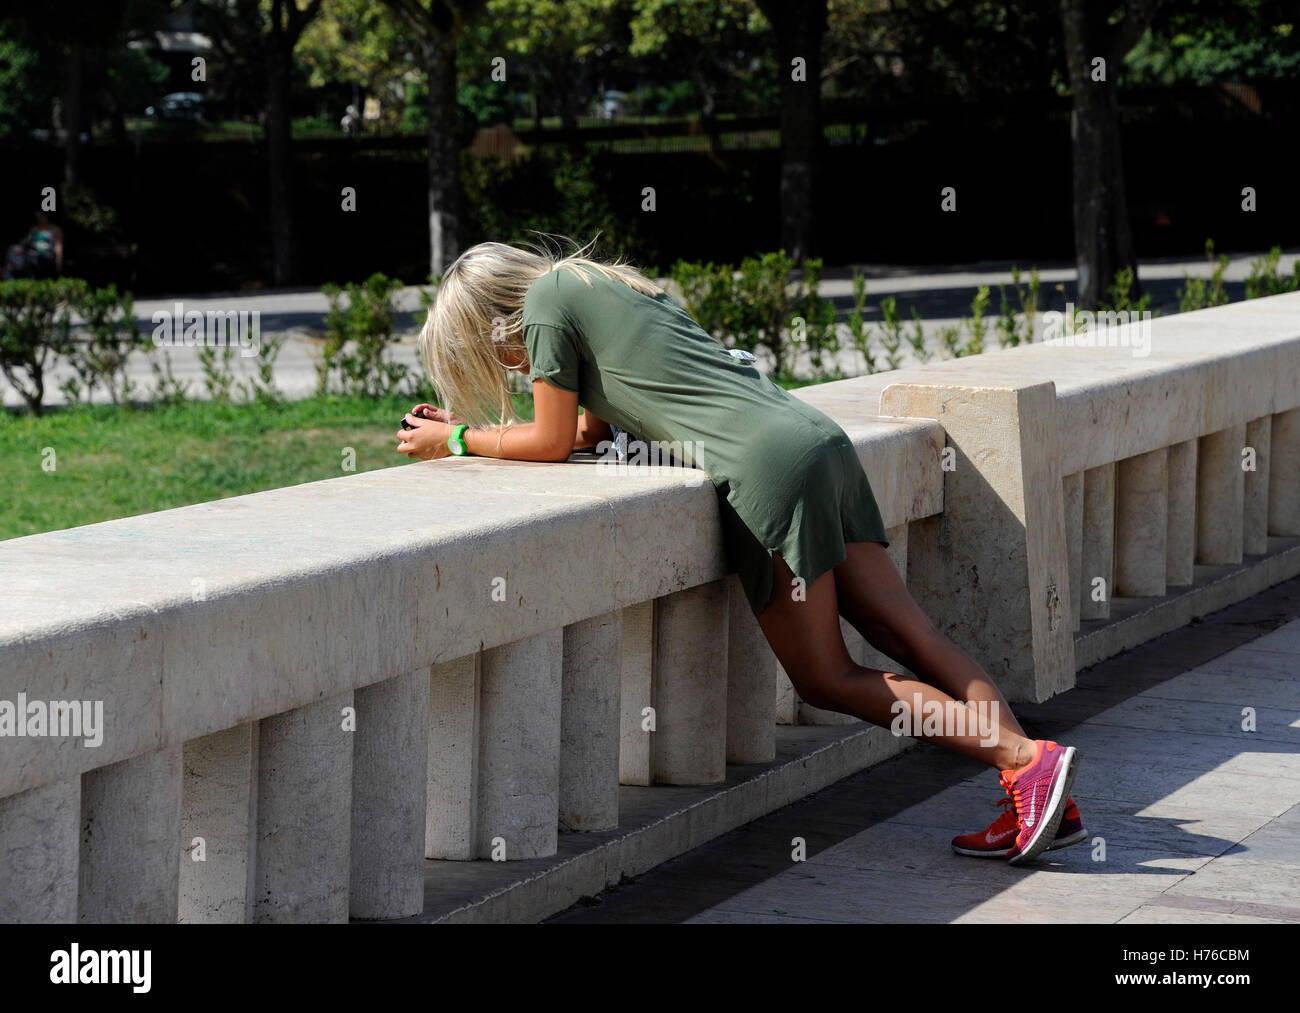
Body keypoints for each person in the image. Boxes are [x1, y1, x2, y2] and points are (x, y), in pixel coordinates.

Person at [400, 236, 1083, 865]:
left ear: (494, 321)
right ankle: (1033, 785)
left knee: (826, 676)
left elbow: (549, 445)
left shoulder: (546, 303)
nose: (511, 368)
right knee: (904, 629)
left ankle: (1024, 758)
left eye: (494, 356)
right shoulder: (599, 284)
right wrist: (488, 427)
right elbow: (585, 431)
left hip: (765, 470)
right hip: (813, 440)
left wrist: (455, 441)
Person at [3, 210, 63, 280]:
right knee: (13, 250)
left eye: (41, 215)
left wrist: (58, 264)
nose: (39, 218)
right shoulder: (34, 229)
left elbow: (58, 248)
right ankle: (8, 278)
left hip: (45, 256)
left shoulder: (55, 230)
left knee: (33, 257)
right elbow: (26, 242)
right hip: (30, 253)